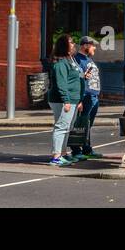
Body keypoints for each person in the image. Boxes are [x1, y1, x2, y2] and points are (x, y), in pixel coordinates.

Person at [46, 34, 81, 167]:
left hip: (72, 100)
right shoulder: (61, 63)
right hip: (62, 100)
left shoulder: (69, 60)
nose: (73, 44)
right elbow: (61, 83)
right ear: (64, 46)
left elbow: (73, 78)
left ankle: (63, 153)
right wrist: (66, 100)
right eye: (70, 42)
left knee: (67, 127)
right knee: (61, 127)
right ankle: (56, 157)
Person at [69, 36, 101, 161]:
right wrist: (79, 100)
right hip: (85, 97)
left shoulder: (88, 59)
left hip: (93, 96)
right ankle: (76, 150)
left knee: (88, 125)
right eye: (93, 45)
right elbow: (77, 79)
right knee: (80, 124)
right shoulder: (77, 59)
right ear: (86, 45)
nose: (95, 48)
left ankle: (87, 149)